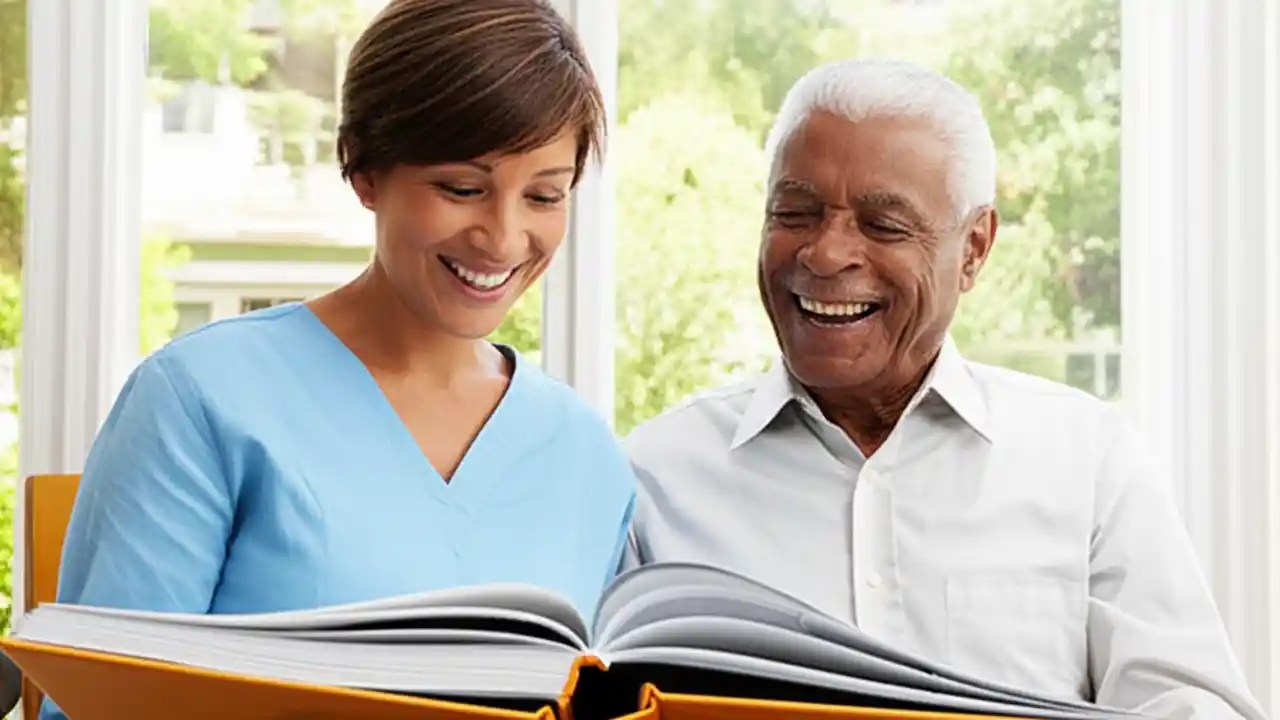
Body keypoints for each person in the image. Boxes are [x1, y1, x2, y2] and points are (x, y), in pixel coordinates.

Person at [623, 58, 1266, 718]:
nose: (824, 254)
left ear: (975, 248)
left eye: (884, 226)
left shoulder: (1088, 462)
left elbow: (1193, 707)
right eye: (795, 212)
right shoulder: (655, 477)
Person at [45, 1, 633, 717]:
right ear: (363, 168)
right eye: (462, 189)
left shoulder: (585, 455)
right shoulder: (199, 400)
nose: (505, 238)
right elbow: (96, 703)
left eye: (545, 195)